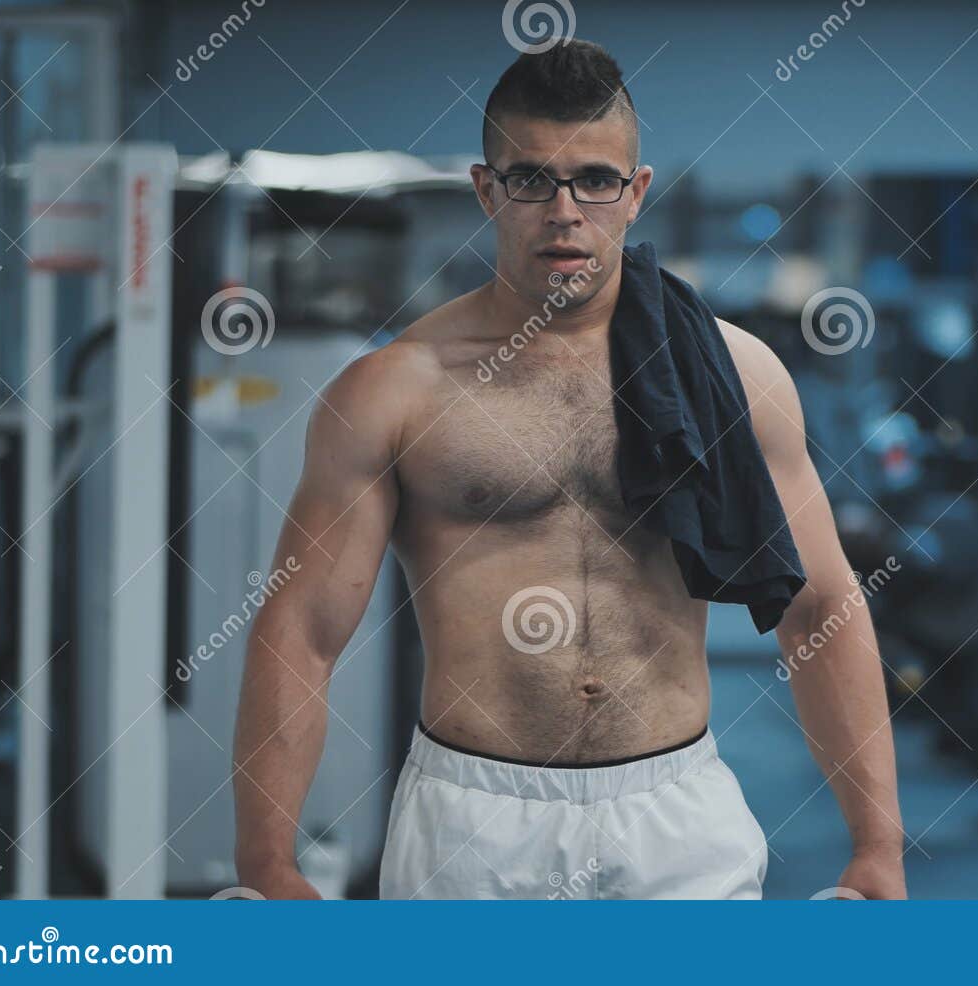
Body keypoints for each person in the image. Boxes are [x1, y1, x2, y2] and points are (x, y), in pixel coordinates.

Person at [232, 38, 905, 900]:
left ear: (636, 193)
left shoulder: (736, 374)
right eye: (530, 180)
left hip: (675, 813)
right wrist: (265, 865)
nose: (564, 210)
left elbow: (819, 608)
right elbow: (302, 630)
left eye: (595, 180)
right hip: (475, 820)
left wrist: (878, 846)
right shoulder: (395, 389)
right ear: (487, 189)